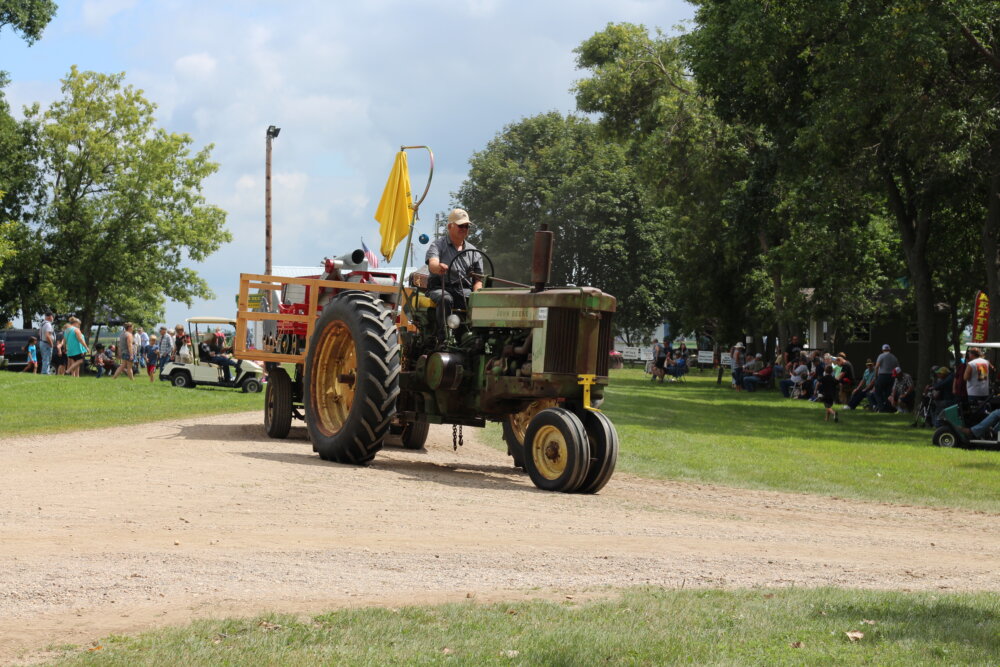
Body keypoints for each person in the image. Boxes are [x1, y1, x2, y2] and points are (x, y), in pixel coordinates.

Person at [425, 208, 483, 328]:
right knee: (445, 299)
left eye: (466, 226)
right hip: (440, 287)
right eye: (460, 226)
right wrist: (439, 267)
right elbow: (433, 264)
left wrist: (477, 295)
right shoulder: (438, 245)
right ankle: (443, 338)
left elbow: (478, 279)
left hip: (463, 290)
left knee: (478, 300)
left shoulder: (474, 252)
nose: (464, 229)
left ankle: (474, 335)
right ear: (449, 226)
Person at [873, 343, 899, 412]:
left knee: (877, 392)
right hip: (892, 377)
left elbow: (877, 367)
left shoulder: (881, 356)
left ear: (882, 350)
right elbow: (897, 368)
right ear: (889, 349)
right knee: (888, 393)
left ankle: (881, 408)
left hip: (882, 376)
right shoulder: (894, 357)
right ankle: (888, 408)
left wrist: (876, 377)